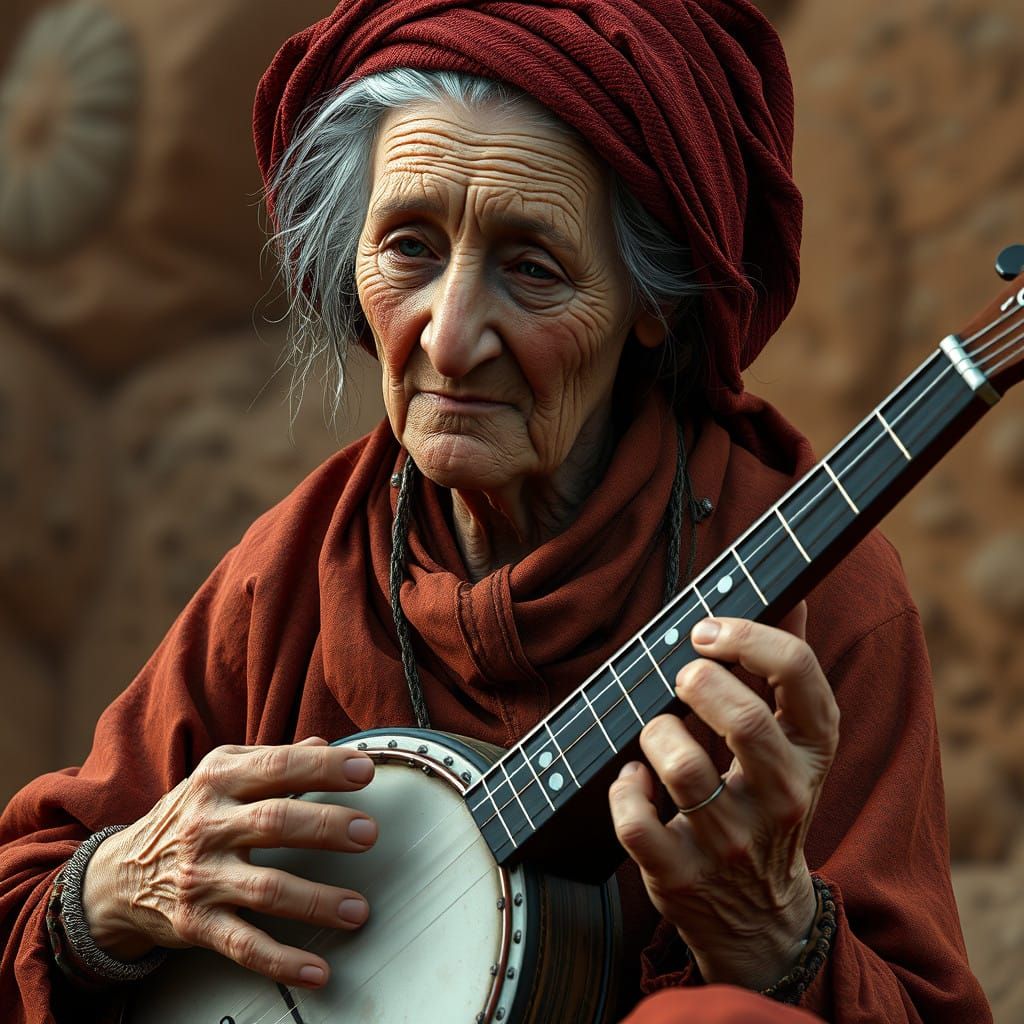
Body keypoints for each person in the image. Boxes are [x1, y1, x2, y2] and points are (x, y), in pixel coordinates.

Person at [0, 2, 992, 1022]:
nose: (450, 333)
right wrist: (118, 885)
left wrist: (776, 935)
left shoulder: (823, 598)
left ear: (656, 304)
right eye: (409, 248)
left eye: (530, 267)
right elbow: (19, 900)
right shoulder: (295, 570)